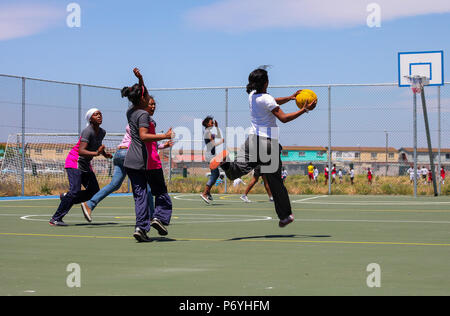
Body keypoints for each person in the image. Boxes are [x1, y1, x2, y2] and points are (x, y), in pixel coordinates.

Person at [210, 67, 317, 227]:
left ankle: (225, 162)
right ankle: (285, 216)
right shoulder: (267, 99)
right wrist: (304, 109)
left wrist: (290, 98)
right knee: (276, 182)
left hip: (252, 141)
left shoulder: (252, 96)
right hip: (268, 145)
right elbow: (284, 118)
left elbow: (273, 101)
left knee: (235, 172)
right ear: (266, 82)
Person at [80, 123, 173, 222]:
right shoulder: (140, 124)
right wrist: (164, 137)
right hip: (129, 154)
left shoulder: (137, 124)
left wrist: (164, 145)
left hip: (119, 154)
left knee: (114, 184)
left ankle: (89, 204)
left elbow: (150, 143)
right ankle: (151, 215)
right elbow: (144, 139)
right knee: (146, 185)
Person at [121, 68, 174, 242]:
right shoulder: (143, 114)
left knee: (140, 196)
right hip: (146, 162)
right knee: (161, 193)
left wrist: (141, 79)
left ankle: (140, 228)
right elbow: (144, 136)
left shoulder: (131, 112)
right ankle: (159, 218)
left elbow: (142, 94)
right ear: (143, 98)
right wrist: (164, 136)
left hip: (131, 161)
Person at [49, 108, 111, 226]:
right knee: (75, 191)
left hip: (85, 164)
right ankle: (56, 218)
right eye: (96, 114)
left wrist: (104, 154)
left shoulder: (102, 132)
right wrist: (96, 154)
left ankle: (67, 197)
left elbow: (97, 146)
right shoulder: (87, 131)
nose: (99, 116)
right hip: (75, 162)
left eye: (100, 114)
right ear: (90, 119)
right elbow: (81, 151)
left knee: (94, 191)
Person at [200, 116, 224, 204]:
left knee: (216, 173)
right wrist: (221, 142)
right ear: (207, 124)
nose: (212, 123)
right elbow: (213, 144)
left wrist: (217, 127)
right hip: (210, 155)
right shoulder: (207, 132)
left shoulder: (208, 132)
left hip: (211, 155)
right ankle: (205, 193)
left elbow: (218, 136)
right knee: (215, 174)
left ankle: (208, 192)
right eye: (211, 122)